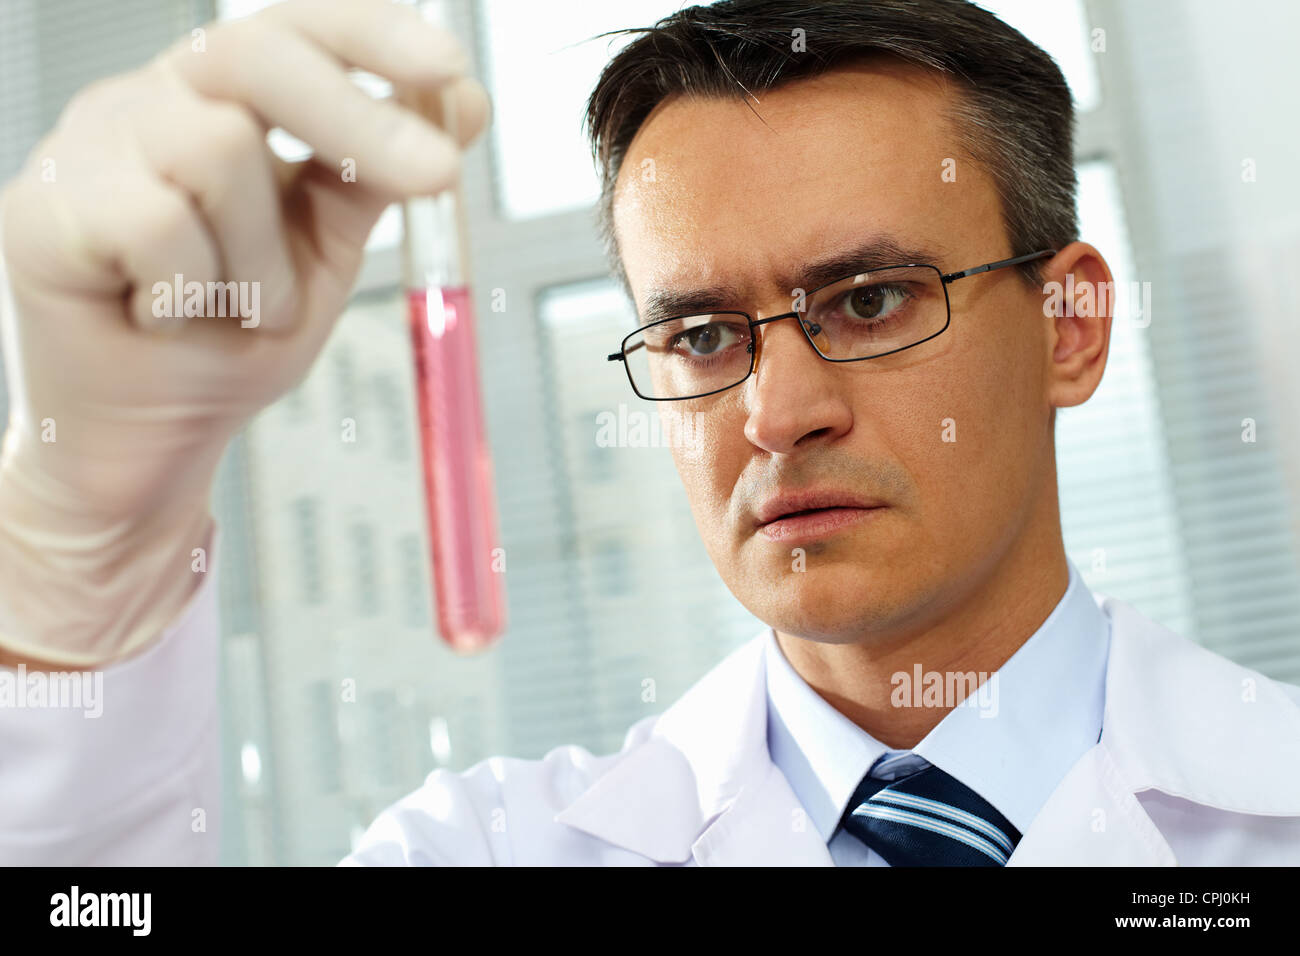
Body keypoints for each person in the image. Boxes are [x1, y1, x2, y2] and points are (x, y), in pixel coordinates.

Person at [0, 0, 1297, 866]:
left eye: (869, 301)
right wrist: (86, 541)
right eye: (700, 335)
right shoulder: (487, 851)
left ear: (1069, 323)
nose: (778, 414)